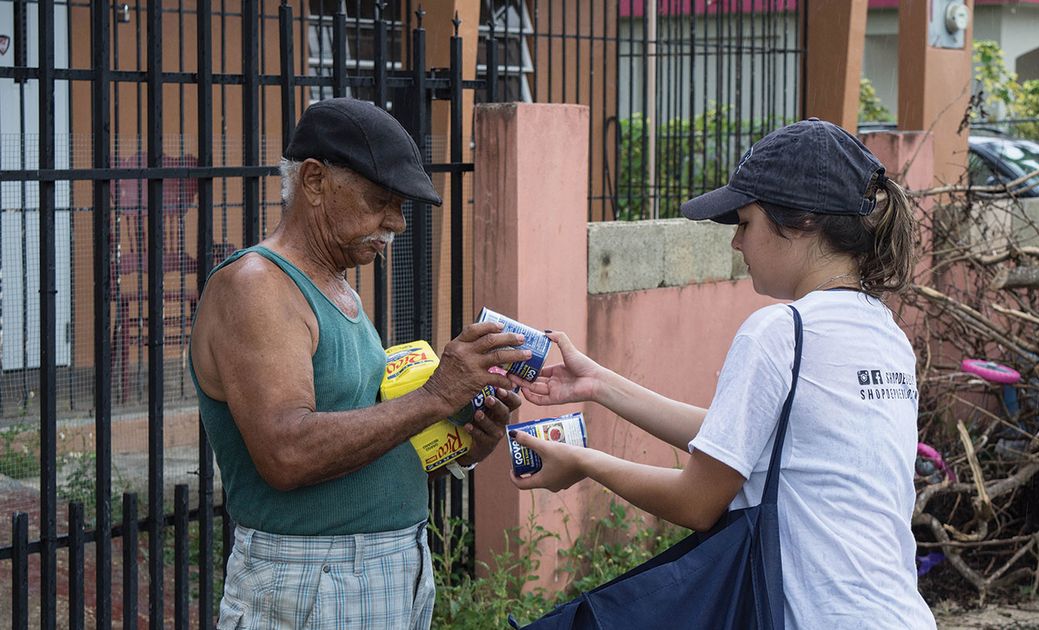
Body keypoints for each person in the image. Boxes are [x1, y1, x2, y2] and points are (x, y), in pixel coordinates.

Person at [507, 119, 937, 628]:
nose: (736, 243)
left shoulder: (780, 330)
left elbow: (697, 502)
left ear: (800, 222)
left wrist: (583, 462)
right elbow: (747, 439)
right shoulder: (885, 333)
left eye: (745, 222)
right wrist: (599, 385)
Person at [189, 97, 526, 629]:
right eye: (379, 200)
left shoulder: (336, 287)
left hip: (376, 569)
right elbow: (287, 452)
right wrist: (436, 394)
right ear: (316, 181)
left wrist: (469, 437)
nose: (395, 223)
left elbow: (363, 441)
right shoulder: (256, 287)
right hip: (316, 577)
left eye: (400, 206)